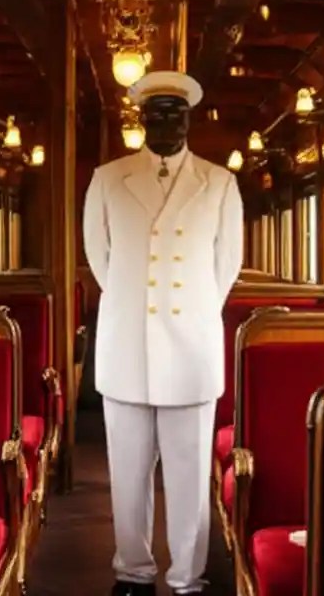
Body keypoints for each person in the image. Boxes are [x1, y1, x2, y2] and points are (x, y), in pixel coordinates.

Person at [82, 70, 244, 595]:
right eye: (156, 113)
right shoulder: (108, 178)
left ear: (190, 120)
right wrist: (138, 306)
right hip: (126, 345)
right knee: (126, 475)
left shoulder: (220, 183)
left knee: (190, 475)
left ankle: (186, 578)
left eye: (176, 113)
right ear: (142, 119)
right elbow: (100, 261)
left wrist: (185, 312)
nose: (166, 122)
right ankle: (132, 572)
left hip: (191, 350)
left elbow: (225, 267)